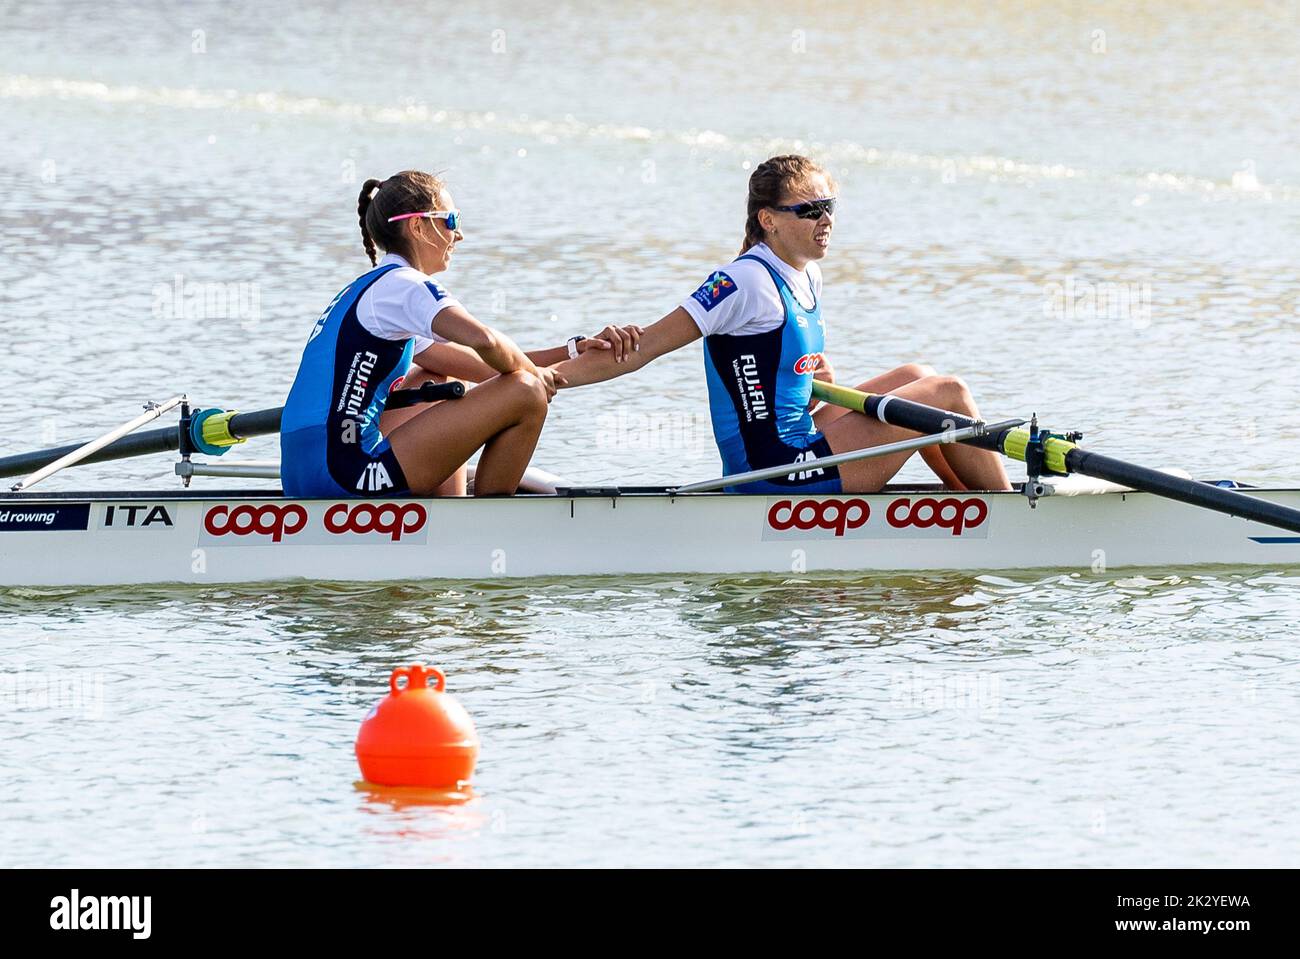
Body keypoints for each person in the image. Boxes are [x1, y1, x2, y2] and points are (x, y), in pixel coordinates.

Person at [549, 154, 1011, 493]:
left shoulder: (807, 274)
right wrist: (540, 379)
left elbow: (776, 377)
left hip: (797, 444)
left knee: (917, 378)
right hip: (774, 470)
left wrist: (806, 379)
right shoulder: (744, 280)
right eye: (810, 210)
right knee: (946, 393)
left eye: (829, 207)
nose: (826, 219)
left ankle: (970, 503)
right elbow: (642, 349)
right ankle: (1006, 509)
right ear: (768, 219)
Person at [280, 169, 638, 497]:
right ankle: (482, 527)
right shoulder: (408, 287)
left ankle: (451, 505)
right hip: (347, 473)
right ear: (418, 228)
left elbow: (482, 365)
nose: (460, 234)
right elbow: (485, 342)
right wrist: (535, 381)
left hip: (302, 472)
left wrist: (573, 350)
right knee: (526, 393)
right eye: (451, 220)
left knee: (437, 379)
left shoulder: (370, 290)